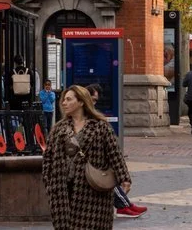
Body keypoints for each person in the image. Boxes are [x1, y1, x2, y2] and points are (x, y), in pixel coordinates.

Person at [44, 85, 132, 229]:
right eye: (63, 100)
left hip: (92, 190)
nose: (64, 103)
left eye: (69, 99)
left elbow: (114, 153)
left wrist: (124, 178)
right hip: (63, 190)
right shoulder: (59, 129)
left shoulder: (100, 127)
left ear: (81, 102)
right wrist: (49, 182)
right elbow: (48, 157)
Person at [87, 84, 147, 218]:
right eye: (92, 99)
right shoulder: (85, 119)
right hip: (87, 168)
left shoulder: (97, 120)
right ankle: (124, 206)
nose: (93, 103)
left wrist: (123, 176)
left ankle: (126, 205)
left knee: (108, 176)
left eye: (96, 100)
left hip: (95, 165)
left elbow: (113, 152)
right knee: (107, 179)